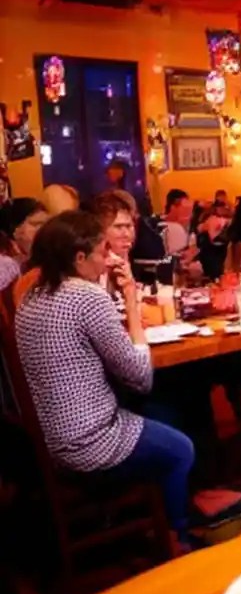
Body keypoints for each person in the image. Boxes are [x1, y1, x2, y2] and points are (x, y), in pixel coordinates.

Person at [14, 211, 196, 548]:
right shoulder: (86, 297)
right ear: (79, 257)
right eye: (102, 252)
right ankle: (177, 541)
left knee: (165, 413)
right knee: (181, 449)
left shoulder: (30, 298)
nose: (108, 259)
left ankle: (159, 516)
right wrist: (130, 298)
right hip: (90, 443)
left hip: (47, 443)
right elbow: (140, 376)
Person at [0, 198, 47, 287]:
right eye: (35, 224)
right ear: (14, 229)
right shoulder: (5, 265)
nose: (43, 230)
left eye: (46, 225)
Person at [161, 189, 194, 256]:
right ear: (172, 207)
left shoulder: (190, 229)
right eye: (184, 209)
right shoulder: (160, 226)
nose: (188, 214)